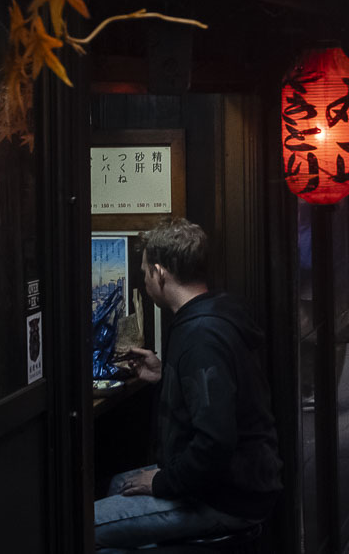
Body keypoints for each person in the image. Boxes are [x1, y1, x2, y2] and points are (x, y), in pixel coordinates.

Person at [95, 219, 283, 552]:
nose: (144, 281)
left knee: (83, 527)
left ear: (160, 272)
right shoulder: (217, 313)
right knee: (117, 484)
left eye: (144, 273)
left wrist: (163, 482)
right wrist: (164, 377)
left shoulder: (200, 336)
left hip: (227, 497)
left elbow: (216, 440)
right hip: (242, 482)